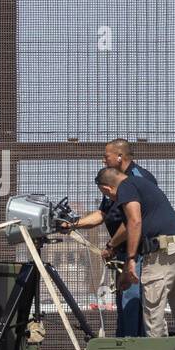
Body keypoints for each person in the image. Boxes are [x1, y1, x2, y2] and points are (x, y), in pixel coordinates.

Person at [63, 139, 157, 336]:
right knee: (123, 301)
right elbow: (103, 214)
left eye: (106, 156)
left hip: (138, 253)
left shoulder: (137, 179)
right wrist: (74, 224)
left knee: (133, 301)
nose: (103, 160)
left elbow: (132, 221)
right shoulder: (114, 181)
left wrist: (111, 245)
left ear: (120, 156)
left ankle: (133, 347)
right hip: (123, 253)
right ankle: (123, 342)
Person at [93, 166, 175, 338]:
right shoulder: (143, 183)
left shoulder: (125, 187)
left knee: (153, 311)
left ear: (107, 188)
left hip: (162, 251)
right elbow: (130, 226)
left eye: (107, 195)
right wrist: (112, 246)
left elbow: (134, 221)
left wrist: (131, 258)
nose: (112, 199)